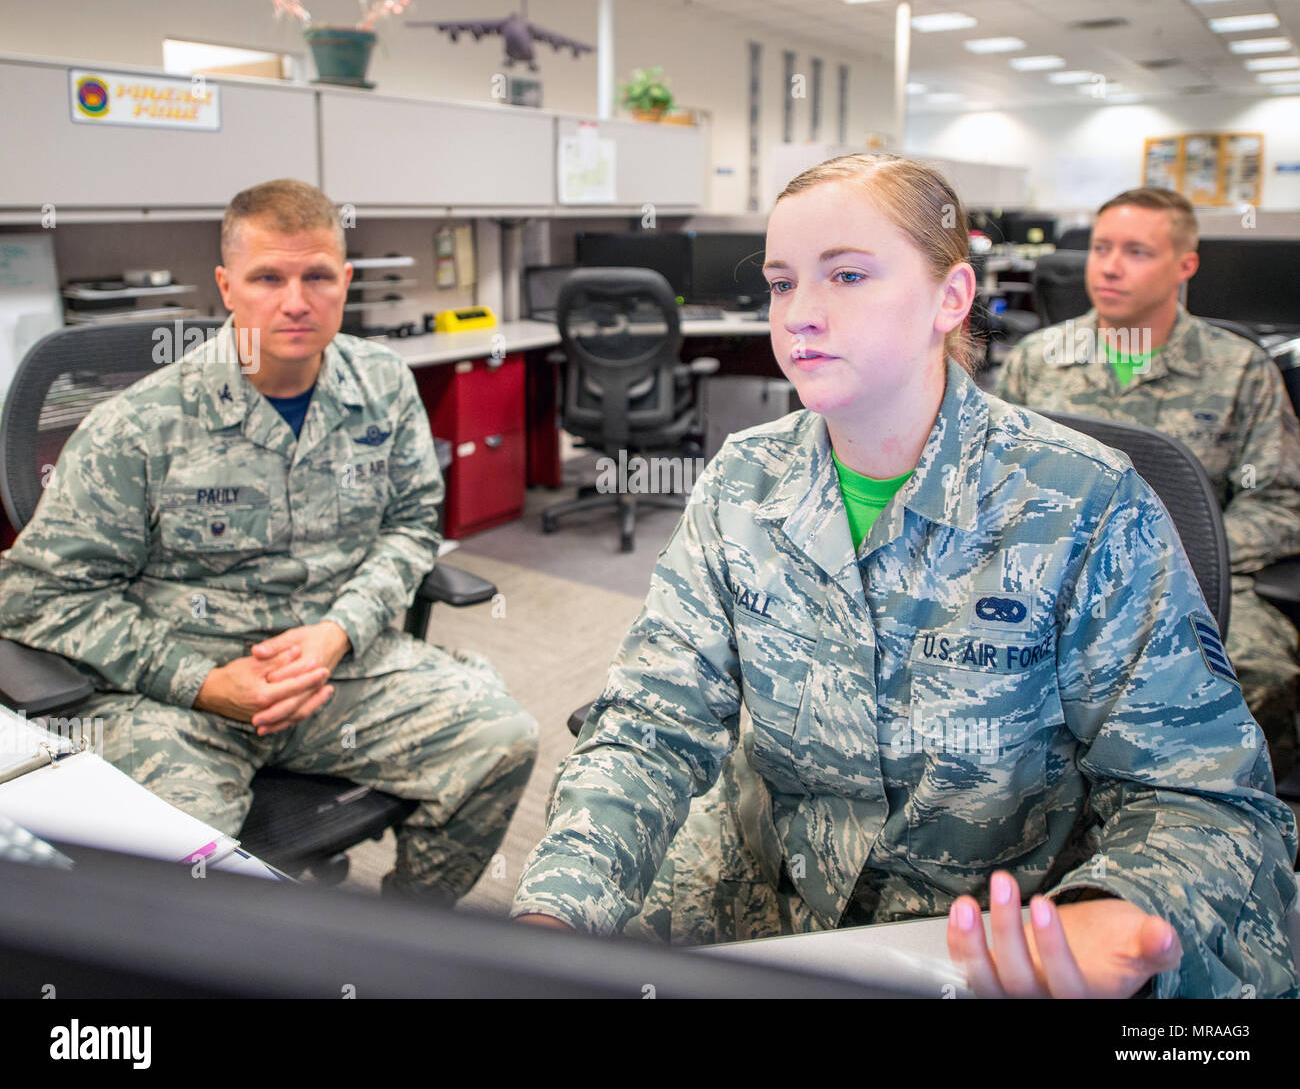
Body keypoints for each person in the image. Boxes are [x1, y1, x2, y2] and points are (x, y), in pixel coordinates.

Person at [511, 154, 1298, 999]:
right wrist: (556, 912)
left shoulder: (1086, 500)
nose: (800, 314)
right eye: (781, 283)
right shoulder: (742, 479)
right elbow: (651, 723)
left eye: (847, 274)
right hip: (768, 892)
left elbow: (1204, 792)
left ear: (950, 298)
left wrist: (1114, 905)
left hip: (993, 931)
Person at [0, 178, 538, 904]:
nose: (295, 301)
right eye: (267, 278)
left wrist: (338, 633)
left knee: (501, 737)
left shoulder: (382, 383)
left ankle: (407, 939)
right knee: (189, 881)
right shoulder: (140, 425)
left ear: (345, 282)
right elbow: (36, 598)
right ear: (226, 286)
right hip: (176, 700)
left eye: (317, 275)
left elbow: (412, 526)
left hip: (335, 675)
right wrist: (200, 682)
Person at [996, 187, 1300, 783]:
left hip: (1196, 586)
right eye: (1101, 247)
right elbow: (997, 482)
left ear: (1184, 265)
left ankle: (1216, 825)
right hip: (1054, 577)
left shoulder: (1238, 368)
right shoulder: (1038, 359)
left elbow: (1280, 501)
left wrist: (1175, 558)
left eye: (1136, 251)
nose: (1108, 266)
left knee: (1253, 673)